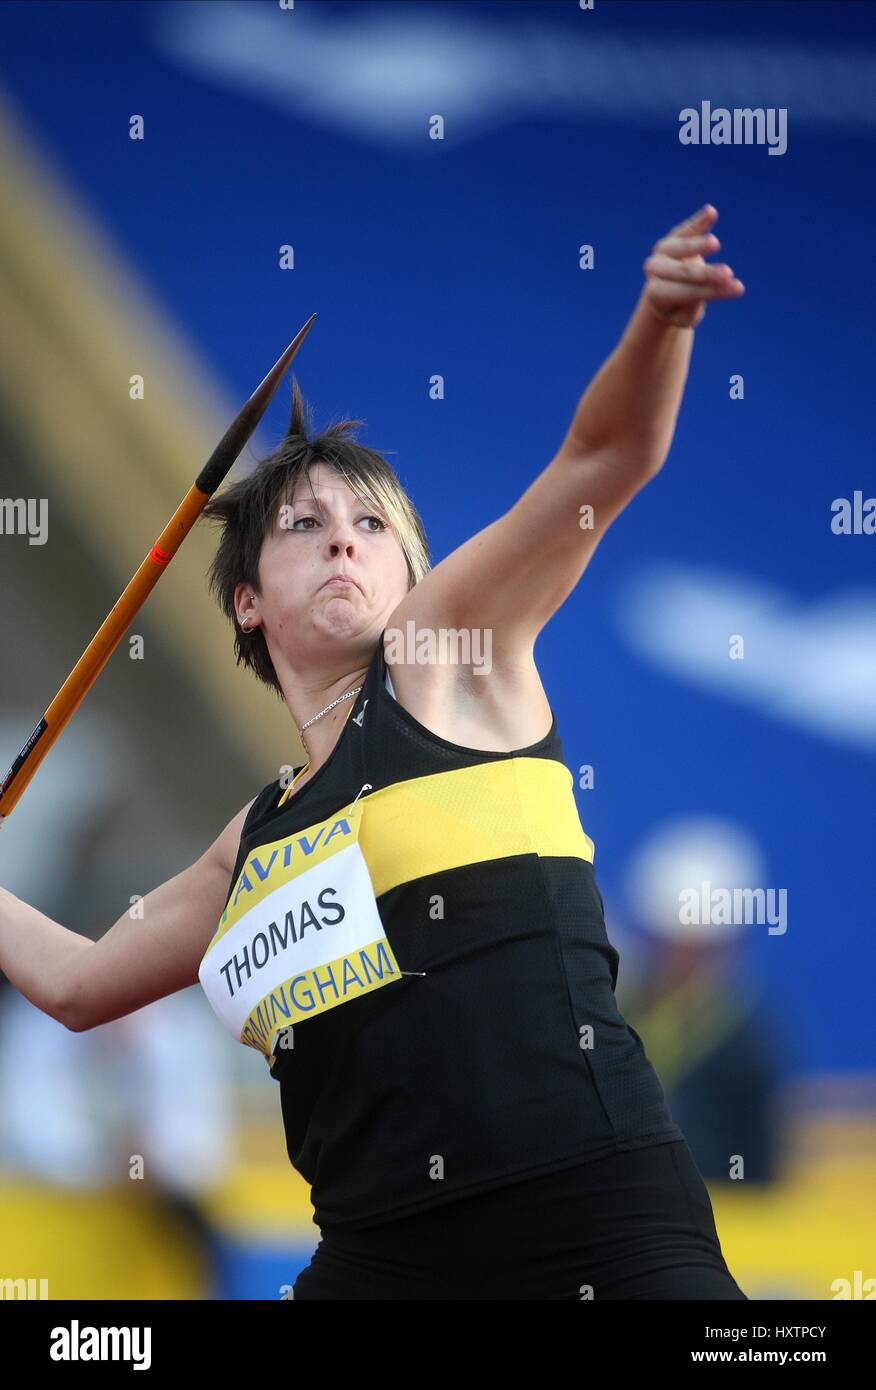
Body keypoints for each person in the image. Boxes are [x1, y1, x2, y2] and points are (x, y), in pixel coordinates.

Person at [0, 204, 748, 1299]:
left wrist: (660, 321)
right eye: (305, 525)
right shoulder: (247, 846)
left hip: (596, 1231)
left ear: (414, 577)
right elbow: (70, 982)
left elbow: (609, 452)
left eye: (372, 526)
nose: (345, 537)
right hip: (382, 1265)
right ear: (247, 601)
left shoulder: (453, 658)